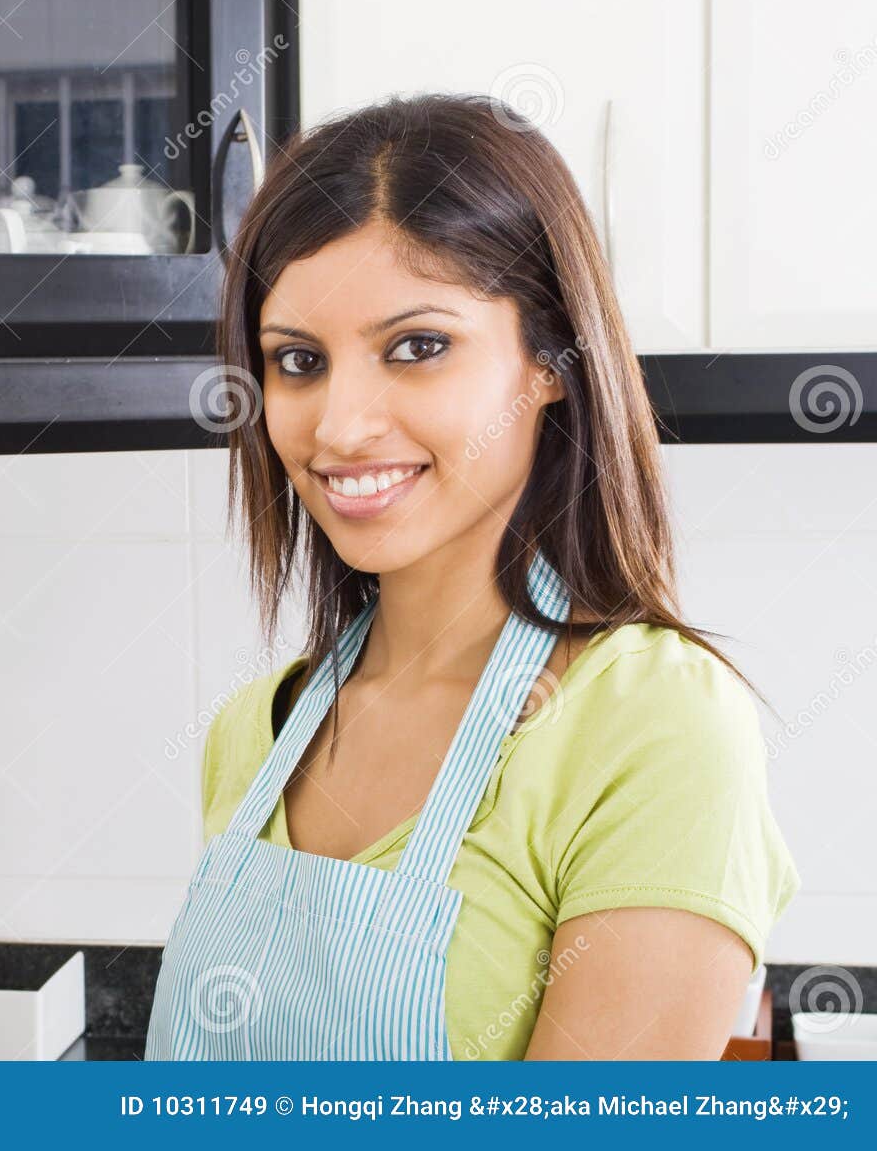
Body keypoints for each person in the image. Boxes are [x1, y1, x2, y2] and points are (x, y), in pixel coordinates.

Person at [145, 93, 800, 1061]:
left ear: (549, 359)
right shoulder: (255, 733)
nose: (338, 425)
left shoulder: (649, 719)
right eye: (298, 360)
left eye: (417, 346)